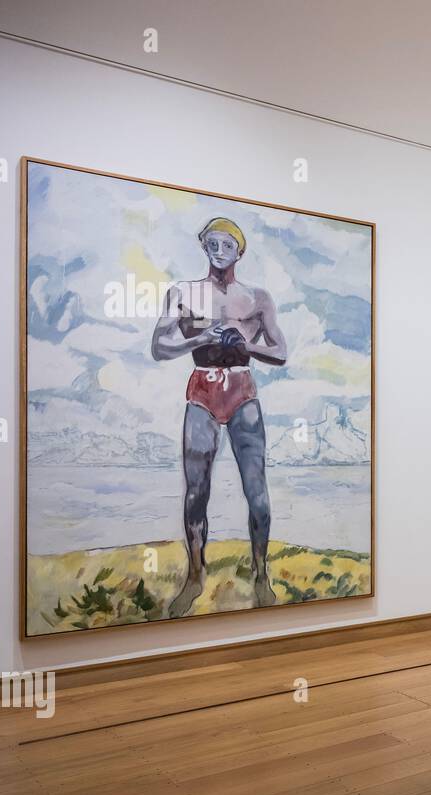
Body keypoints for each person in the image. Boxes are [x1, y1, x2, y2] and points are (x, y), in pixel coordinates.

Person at [150, 217, 288, 617]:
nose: (220, 251)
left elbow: (280, 352)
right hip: (202, 391)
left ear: (239, 251)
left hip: (242, 391)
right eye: (213, 244)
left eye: (228, 245)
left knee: (257, 493)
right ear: (204, 246)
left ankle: (261, 575)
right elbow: (160, 345)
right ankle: (195, 575)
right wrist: (204, 337)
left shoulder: (257, 298)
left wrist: (245, 344)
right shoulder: (184, 292)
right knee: (196, 491)